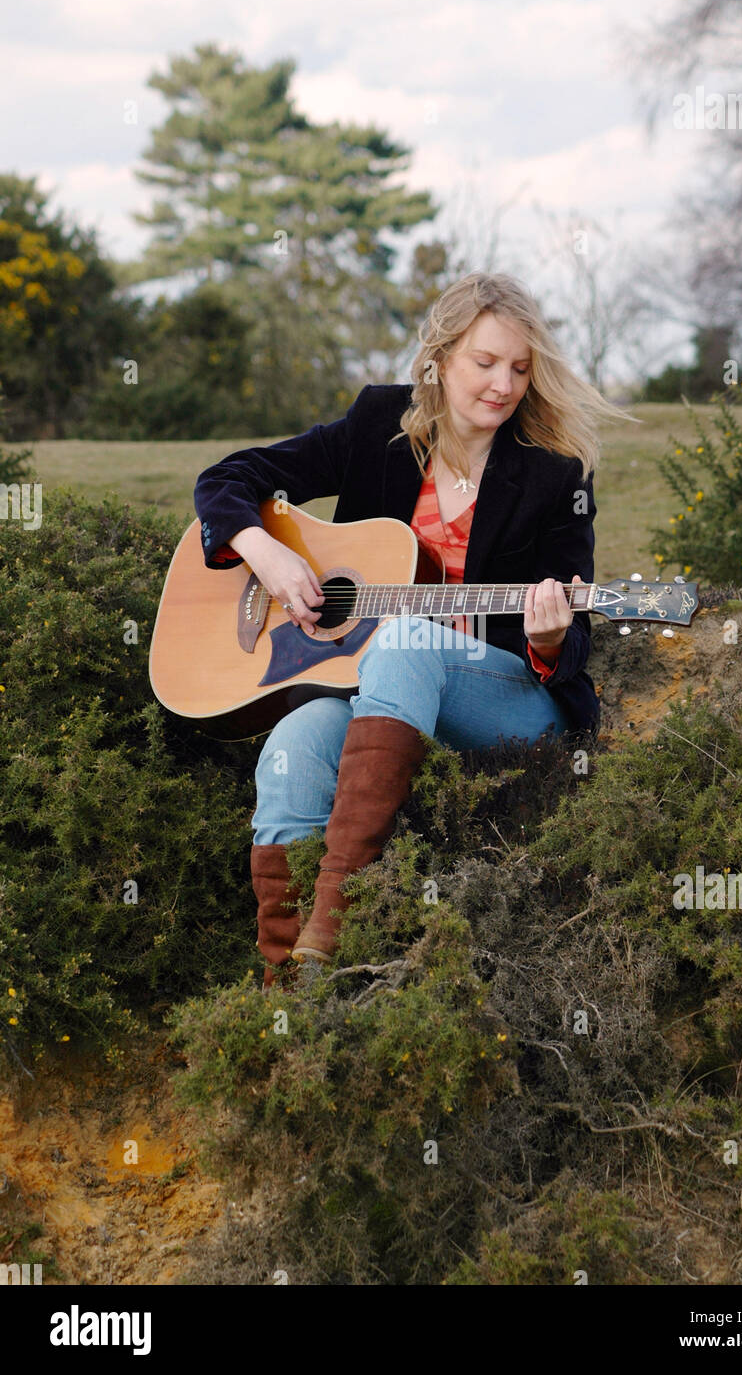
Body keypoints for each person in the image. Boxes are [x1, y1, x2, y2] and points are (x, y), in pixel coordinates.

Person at [193, 272, 636, 987]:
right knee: (293, 744)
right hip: (377, 695)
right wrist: (265, 552)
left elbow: (574, 640)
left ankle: (333, 924)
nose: (503, 385)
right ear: (439, 357)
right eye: (484, 362)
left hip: (505, 701)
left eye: (520, 369)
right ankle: (289, 988)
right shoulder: (378, 428)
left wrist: (550, 639)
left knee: (404, 640)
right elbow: (228, 478)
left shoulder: (556, 476)